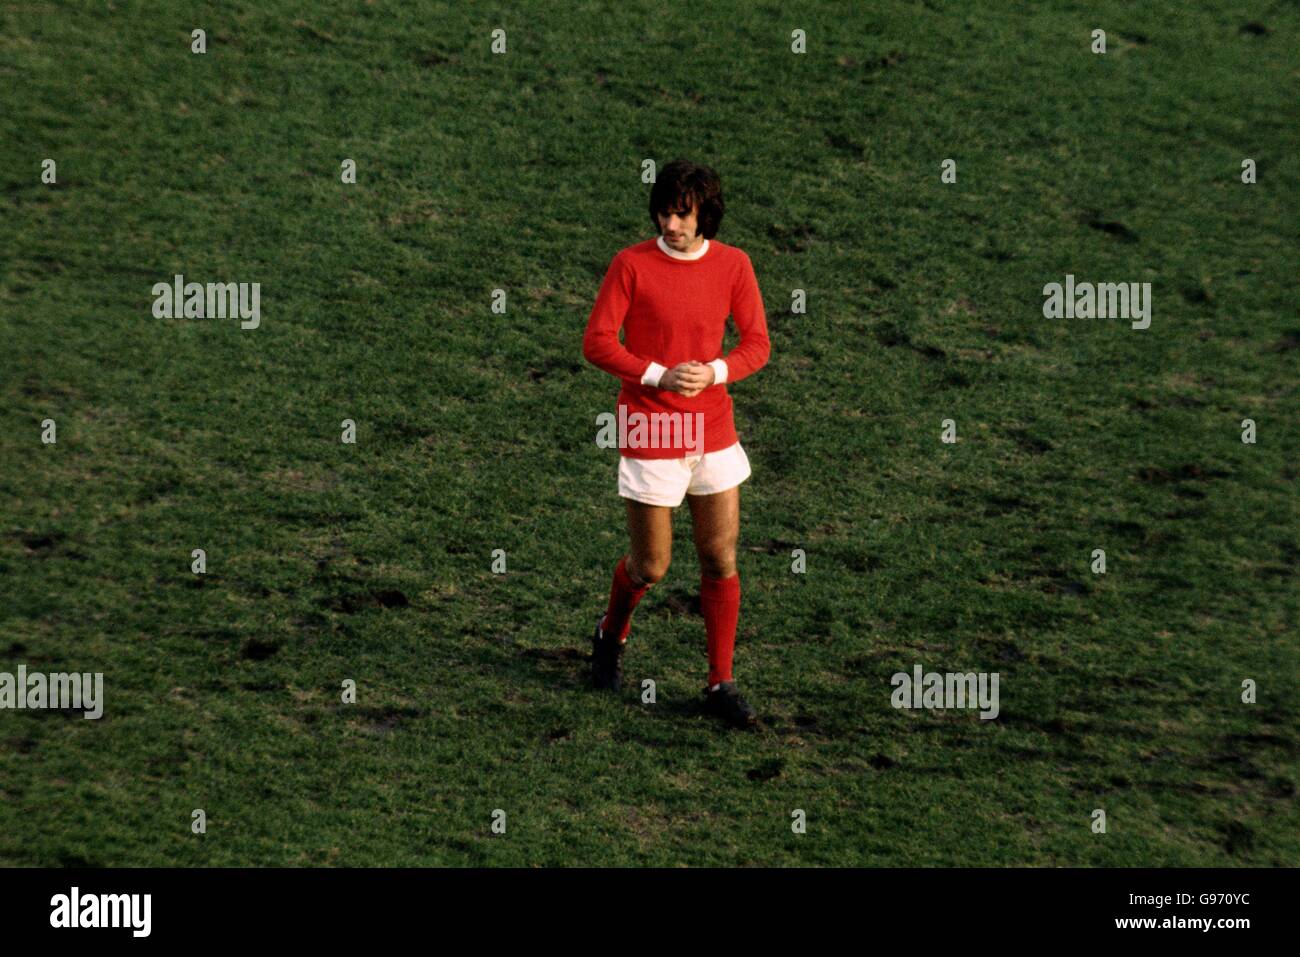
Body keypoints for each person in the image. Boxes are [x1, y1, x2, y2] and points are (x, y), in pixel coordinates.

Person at [581, 159, 771, 728]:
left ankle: (720, 682)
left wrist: (715, 372)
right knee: (652, 566)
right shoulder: (631, 265)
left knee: (720, 557)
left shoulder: (734, 265)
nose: (671, 224)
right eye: (664, 212)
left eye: (682, 215)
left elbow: (757, 343)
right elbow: (595, 342)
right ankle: (610, 637)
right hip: (650, 427)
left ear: (704, 215)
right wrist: (656, 375)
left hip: (712, 429)